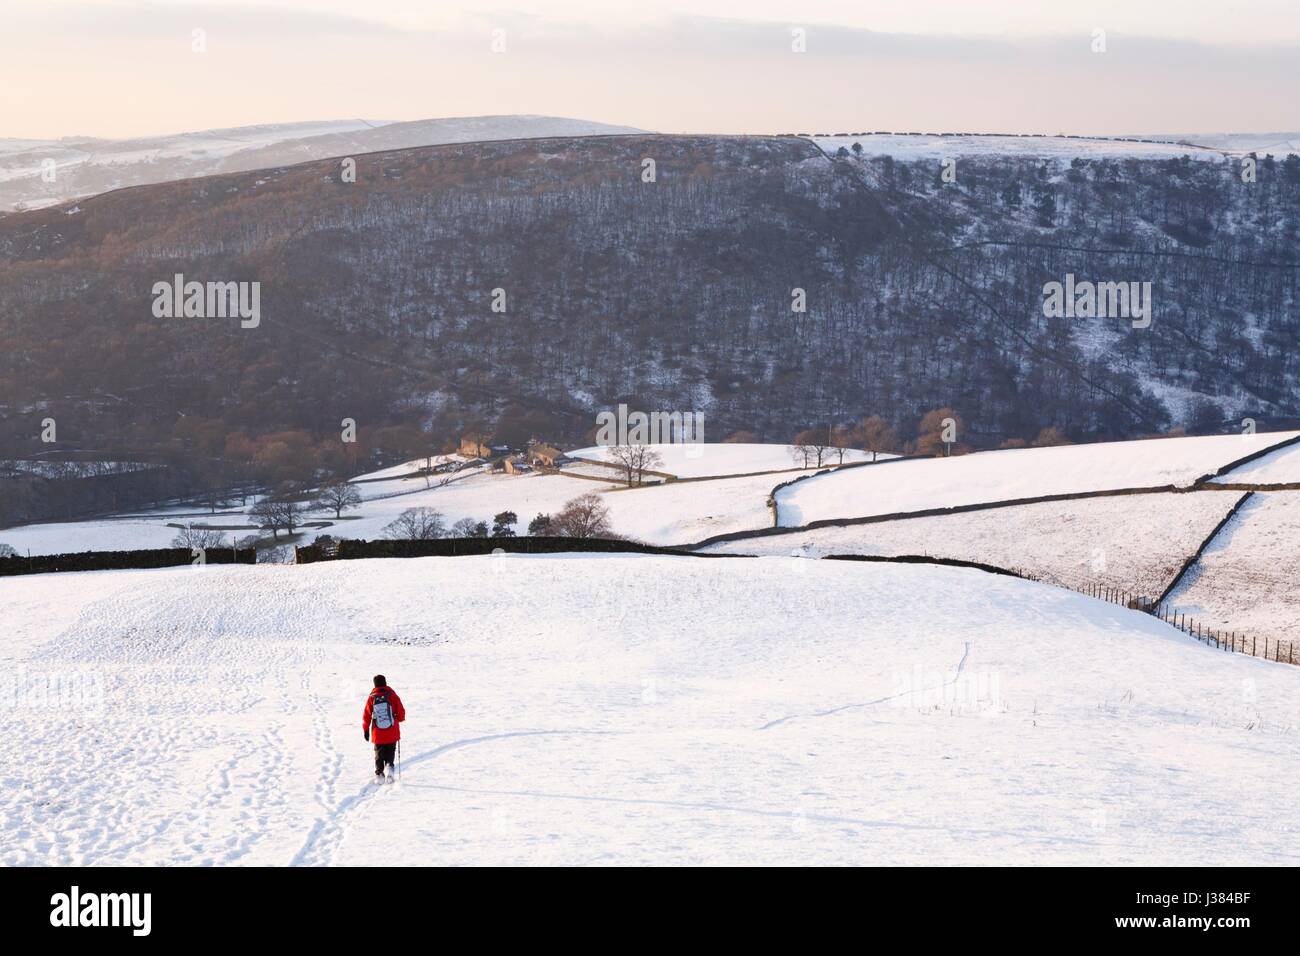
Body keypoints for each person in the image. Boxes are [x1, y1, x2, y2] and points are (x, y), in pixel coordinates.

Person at [362, 675, 406, 783]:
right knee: (391, 751)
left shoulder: (372, 697)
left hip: (378, 732)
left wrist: (366, 730)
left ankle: (379, 775)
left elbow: (366, 715)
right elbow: (401, 712)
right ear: (385, 683)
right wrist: (399, 719)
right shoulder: (392, 695)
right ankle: (390, 769)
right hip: (392, 730)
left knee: (379, 753)